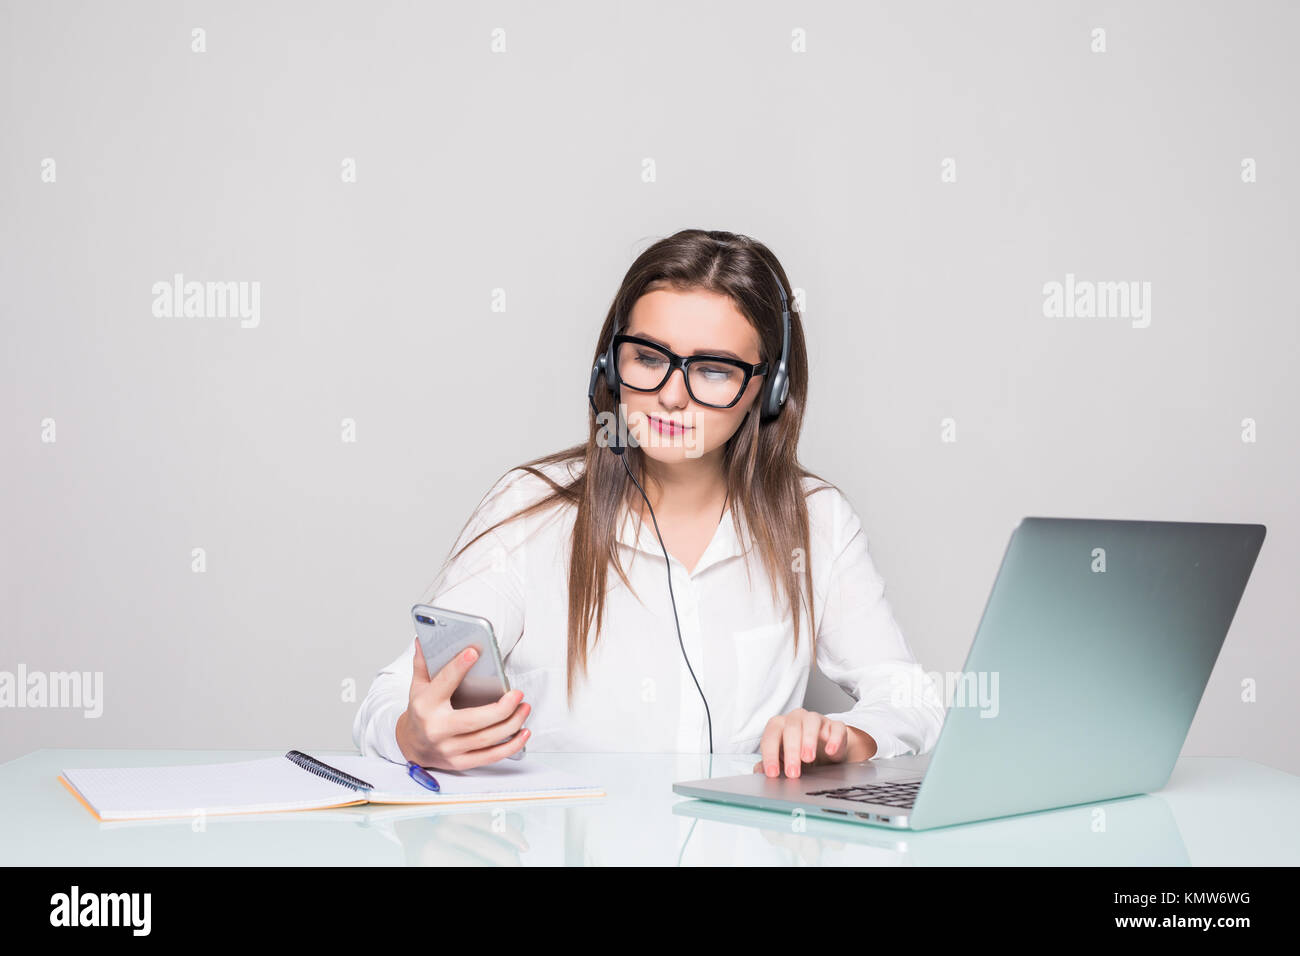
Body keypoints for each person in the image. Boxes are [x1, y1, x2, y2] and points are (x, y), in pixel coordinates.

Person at [352, 228, 945, 778]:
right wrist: (413, 735)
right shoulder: (529, 508)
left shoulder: (815, 519)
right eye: (650, 359)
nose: (670, 397)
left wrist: (845, 738)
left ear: (768, 391)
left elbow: (910, 699)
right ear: (612, 363)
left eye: (713, 370)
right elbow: (389, 696)